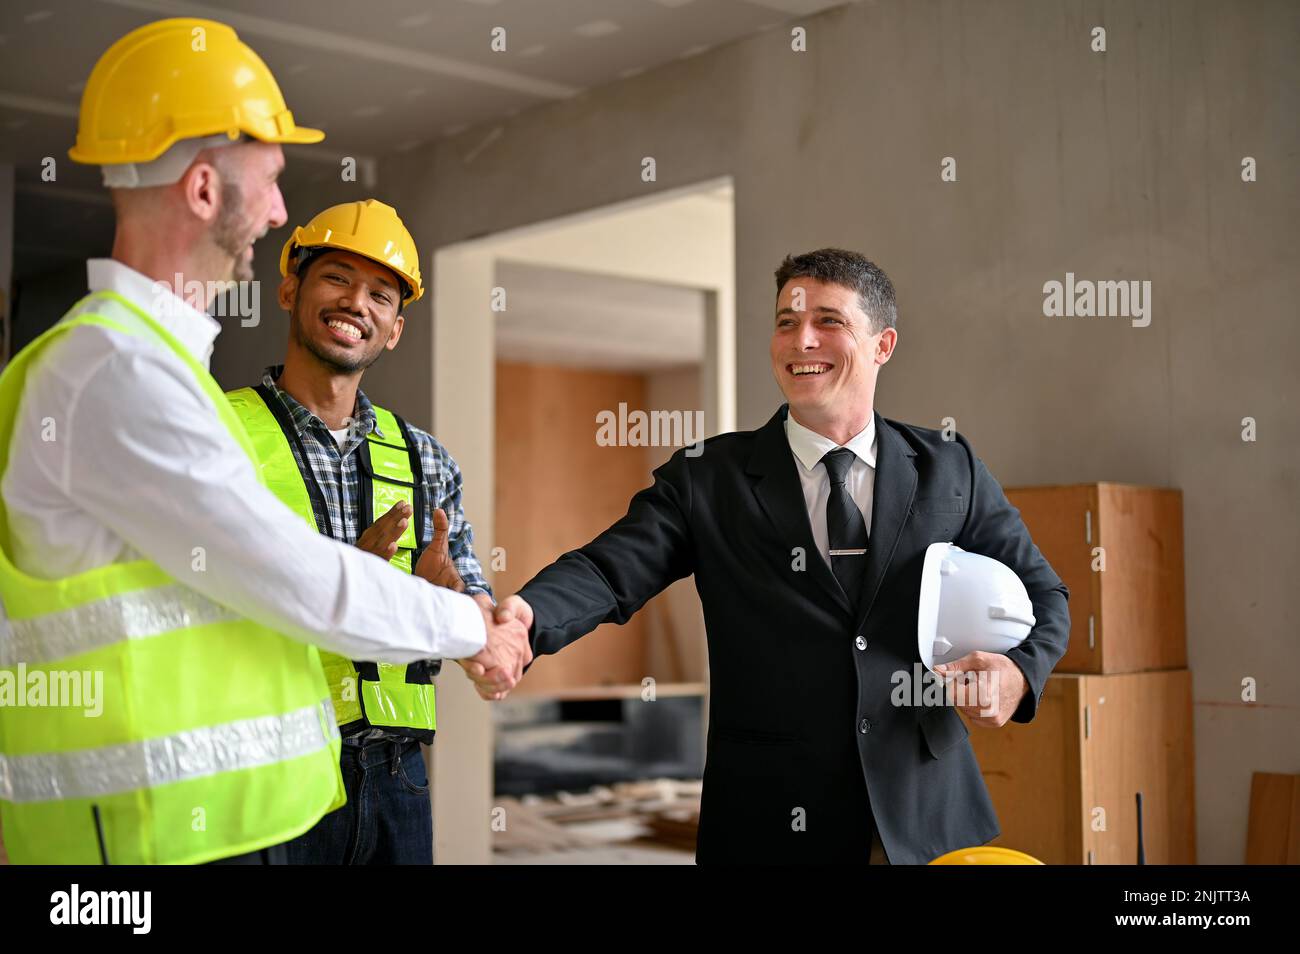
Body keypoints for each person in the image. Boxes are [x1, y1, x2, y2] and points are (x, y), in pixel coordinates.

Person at [0, 18, 528, 865]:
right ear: (206, 190)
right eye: (272, 178)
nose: (279, 208)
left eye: (382, 296)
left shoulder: (148, 371)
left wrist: (461, 610)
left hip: (214, 818)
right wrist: (469, 624)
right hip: (134, 841)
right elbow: (296, 577)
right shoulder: (116, 373)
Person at [488, 248, 1070, 864]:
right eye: (786, 322)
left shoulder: (949, 466)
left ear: (882, 344)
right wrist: (526, 618)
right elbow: (608, 570)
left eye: (828, 321)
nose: (802, 340)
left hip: (927, 813)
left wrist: (1018, 674)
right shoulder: (707, 477)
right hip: (768, 822)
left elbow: (1045, 594)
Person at [227, 199, 497, 863]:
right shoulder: (221, 431)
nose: (358, 303)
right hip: (272, 765)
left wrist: (446, 602)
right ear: (290, 289)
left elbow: (476, 613)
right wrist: (345, 576)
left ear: (395, 329)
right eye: (338, 278)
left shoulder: (424, 457)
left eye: (381, 294)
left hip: (397, 774)